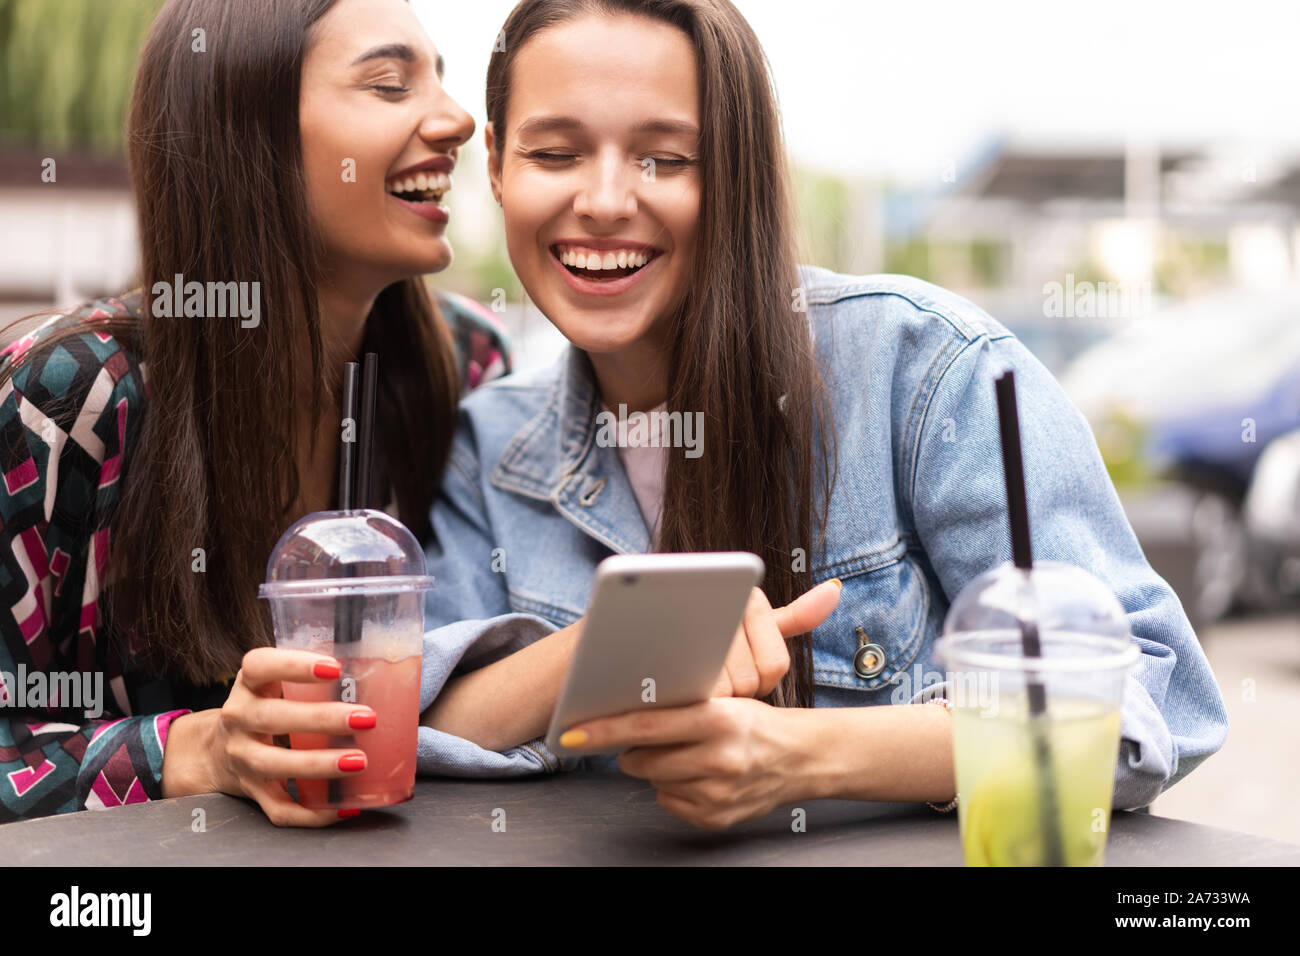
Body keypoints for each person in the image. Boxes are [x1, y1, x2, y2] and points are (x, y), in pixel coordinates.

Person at [415, 0, 1229, 829]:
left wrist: (799, 756)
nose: (605, 200)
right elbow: (416, 731)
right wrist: (607, 649)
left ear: (736, 170)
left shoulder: (926, 370)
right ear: (496, 164)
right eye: (555, 153)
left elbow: (1143, 710)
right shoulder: (488, 445)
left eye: (666, 159)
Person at [0, 0, 506, 826]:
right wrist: (192, 751)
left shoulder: (470, 367)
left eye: (439, 80)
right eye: (389, 84)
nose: (454, 119)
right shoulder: (72, 398)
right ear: (247, 133)